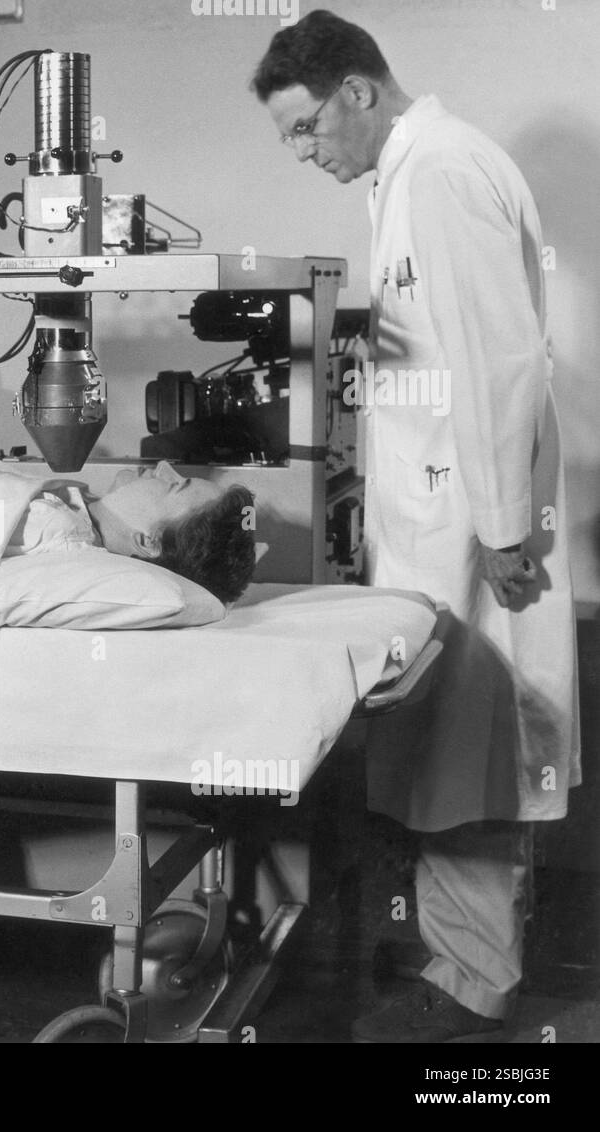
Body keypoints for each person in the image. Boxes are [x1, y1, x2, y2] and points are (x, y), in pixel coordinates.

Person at [252, 10, 580, 1042]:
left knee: (469, 750)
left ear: (356, 90)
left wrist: (497, 527)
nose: (305, 154)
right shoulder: (413, 174)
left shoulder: (437, 172)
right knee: (459, 746)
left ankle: (470, 985)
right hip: (448, 513)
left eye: (306, 128)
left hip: (473, 527)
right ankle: (462, 951)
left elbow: (496, 360)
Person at [5, 460, 257, 604]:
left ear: (148, 542)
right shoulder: (71, 511)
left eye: (173, 485)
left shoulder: (51, 525)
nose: (163, 466)